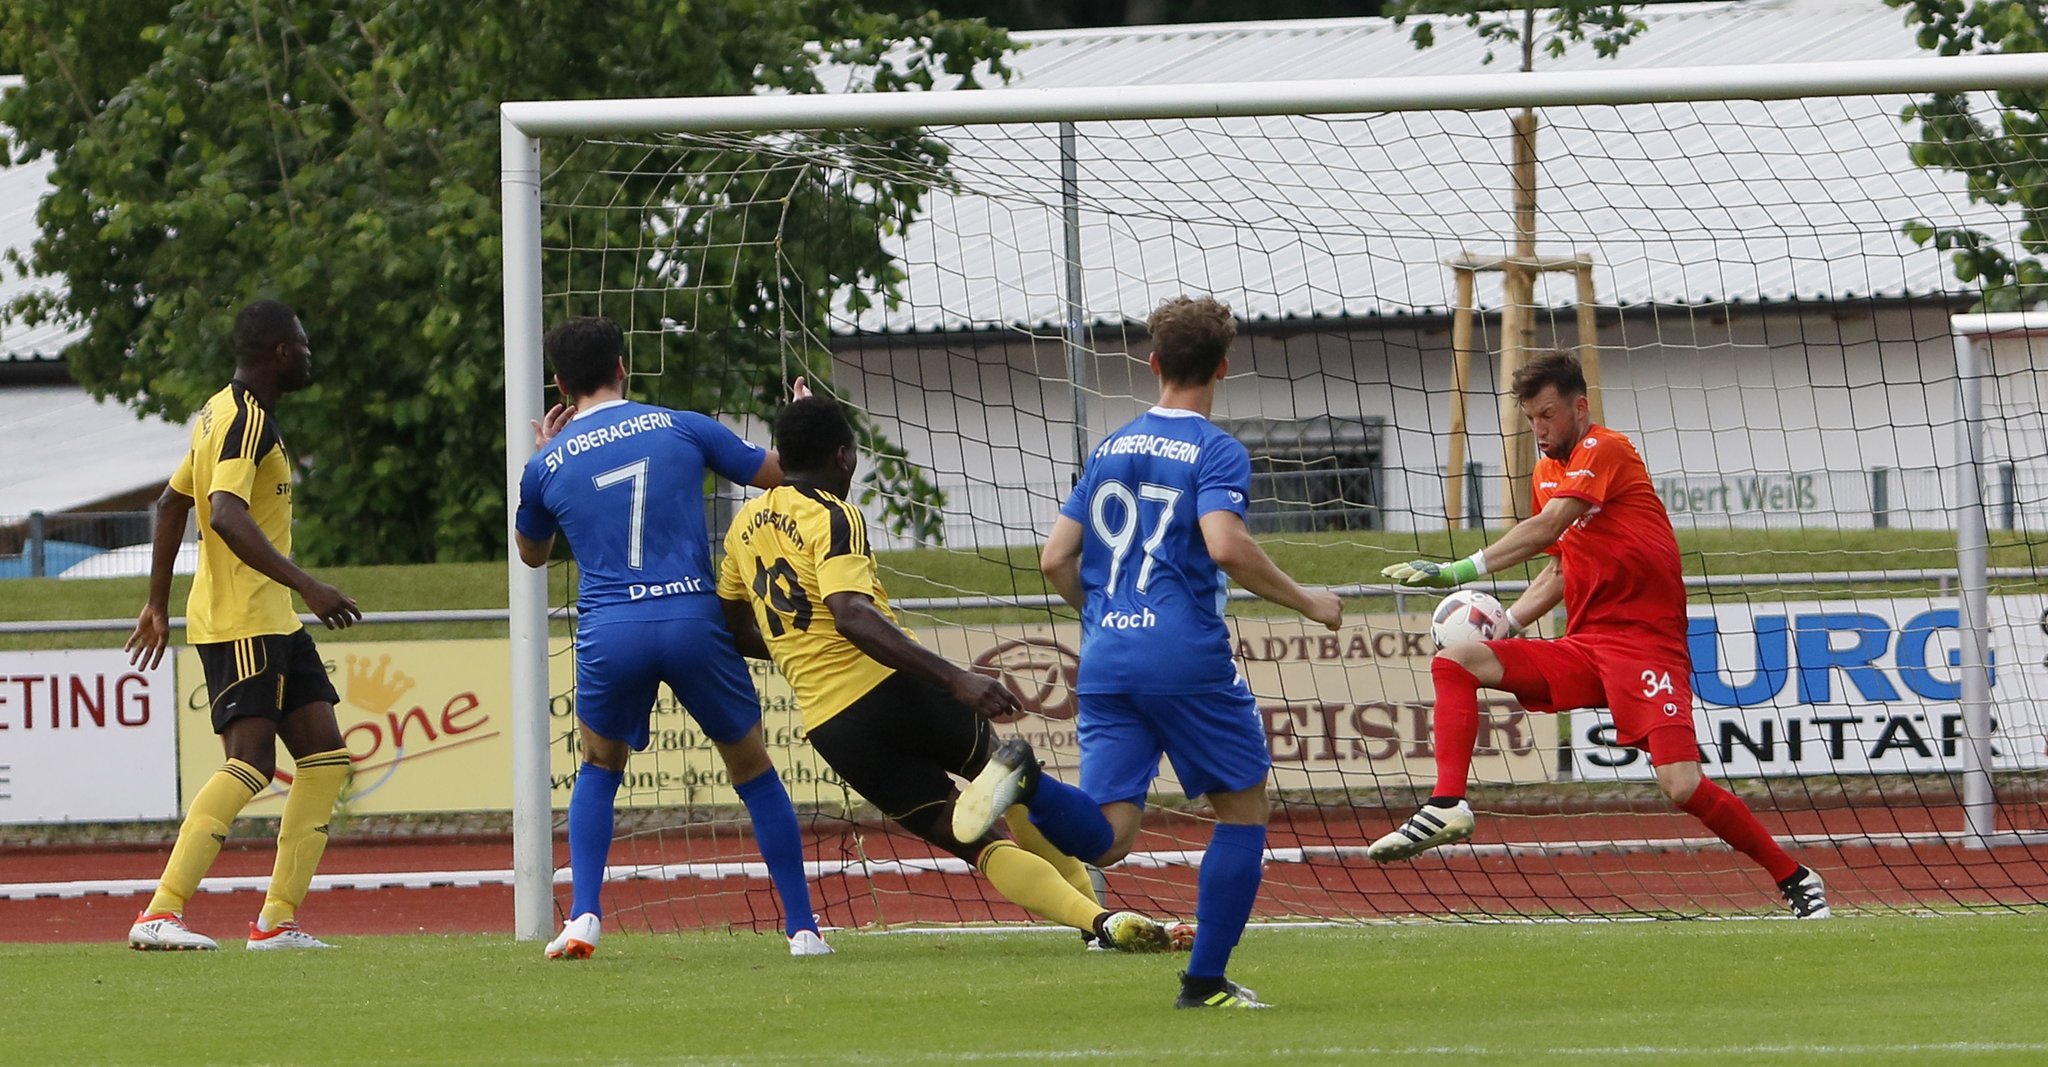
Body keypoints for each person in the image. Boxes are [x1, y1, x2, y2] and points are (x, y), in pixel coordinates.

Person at [960, 295, 1345, 1010]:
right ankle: (1203, 983)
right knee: (1242, 813)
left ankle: (1027, 780)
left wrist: (1109, 615)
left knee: (1107, 840)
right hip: (1185, 654)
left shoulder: (1109, 448)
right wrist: (1309, 601)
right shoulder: (1216, 448)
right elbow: (1226, 544)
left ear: (1154, 363)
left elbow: (1054, 559)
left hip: (1107, 652)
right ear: (1223, 367)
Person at [1371, 350, 1830, 920]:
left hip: (1645, 645)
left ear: (1578, 408)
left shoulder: (1604, 448)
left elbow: (1549, 526)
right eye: (1530, 419)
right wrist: (1508, 622)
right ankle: (1447, 804)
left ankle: (1794, 876)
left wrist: (1456, 573)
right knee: (1457, 661)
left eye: (1547, 415)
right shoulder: (1545, 470)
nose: (1539, 430)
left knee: (1680, 785)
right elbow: (1562, 565)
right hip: (1586, 644)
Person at [716, 395, 1176, 954]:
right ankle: (1095, 923)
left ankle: (1099, 923)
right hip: (897, 688)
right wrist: (955, 678)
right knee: (1009, 783)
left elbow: (735, 626)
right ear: (843, 457)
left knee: (977, 845)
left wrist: (798, 645)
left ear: (781, 456)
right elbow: (852, 613)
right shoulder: (834, 513)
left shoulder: (742, 527)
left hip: (835, 726)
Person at [514, 317, 827, 959]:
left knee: (600, 767)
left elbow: (532, 554)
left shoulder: (549, 461)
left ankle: (584, 917)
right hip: (692, 618)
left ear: (560, 384)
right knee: (754, 771)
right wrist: (804, 424)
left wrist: (544, 454)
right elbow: (779, 474)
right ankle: (802, 929)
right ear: (624, 367)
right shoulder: (681, 425)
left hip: (610, 627)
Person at [124, 299, 363, 952]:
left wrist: (156, 602)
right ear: (280, 351)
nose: (310, 353)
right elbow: (222, 513)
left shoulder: (219, 412)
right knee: (251, 761)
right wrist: (307, 582)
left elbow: (173, 501)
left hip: (273, 621)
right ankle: (159, 911)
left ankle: (274, 922)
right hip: (243, 620)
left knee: (324, 757)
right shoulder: (242, 421)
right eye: (304, 343)